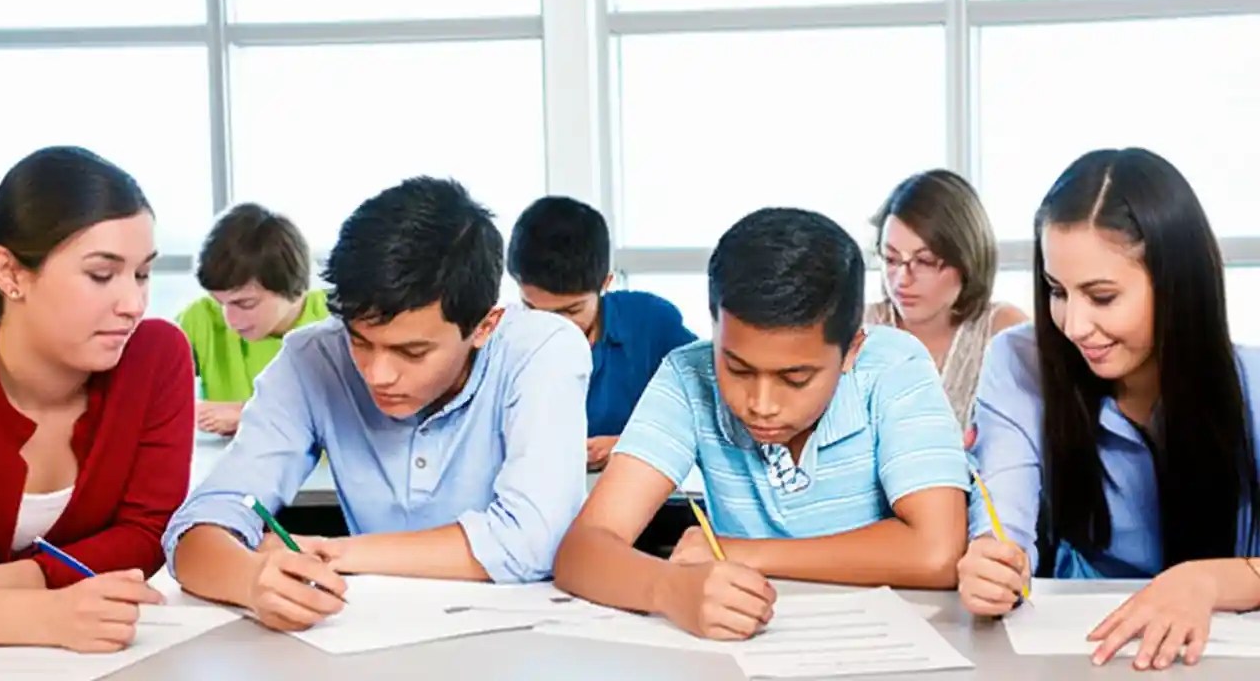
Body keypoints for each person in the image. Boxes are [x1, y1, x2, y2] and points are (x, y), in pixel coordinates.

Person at [164, 176, 592, 633]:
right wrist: (250, 579)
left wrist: (339, 552)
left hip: (522, 639)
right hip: (367, 637)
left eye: (412, 352)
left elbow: (535, 542)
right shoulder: (312, 357)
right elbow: (196, 528)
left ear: (485, 326)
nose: (377, 374)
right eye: (359, 340)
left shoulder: (543, 347)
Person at [553, 208, 969, 640]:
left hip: (888, 648)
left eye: (796, 378)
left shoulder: (895, 366)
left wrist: (738, 552)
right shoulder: (689, 374)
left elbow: (935, 552)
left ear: (851, 350)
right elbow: (581, 551)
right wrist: (668, 590)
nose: (761, 405)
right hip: (745, 649)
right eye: (737, 369)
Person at [958, 148, 1260, 671]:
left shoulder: (1251, 384)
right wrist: (992, 562)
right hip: (1084, 654)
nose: (1072, 325)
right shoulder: (1018, 360)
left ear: (1175, 286)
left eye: (1101, 296)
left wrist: (1209, 581)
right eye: (1056, 291)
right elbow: (1005, 521)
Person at [0, 147, 188, 650]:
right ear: (9, 273)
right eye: (101, 275)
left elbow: (149, 530)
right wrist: (36, 618)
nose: (134, 305)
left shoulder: (156, 357)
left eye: (142, 274)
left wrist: (26, 581)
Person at [507, 195, 696, 468]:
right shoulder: (504, 340)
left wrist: (633, 446)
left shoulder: (651, 323)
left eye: (570, 312)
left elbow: (705, 410)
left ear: (606, 283)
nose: (551, 326)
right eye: (532, 308)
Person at [865, 170, 1027, 436]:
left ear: (966, 258)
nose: (902, 280)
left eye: (926, 261)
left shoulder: (1004, 332)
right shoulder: (859, 329)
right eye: (891, 259)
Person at [178, 203, 328, 436]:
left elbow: (363, 421)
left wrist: (254, 414)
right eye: (220, 303)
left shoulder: (338, 323)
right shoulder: (200, 318)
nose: (230, 320)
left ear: (294, 287)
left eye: (245, 303)